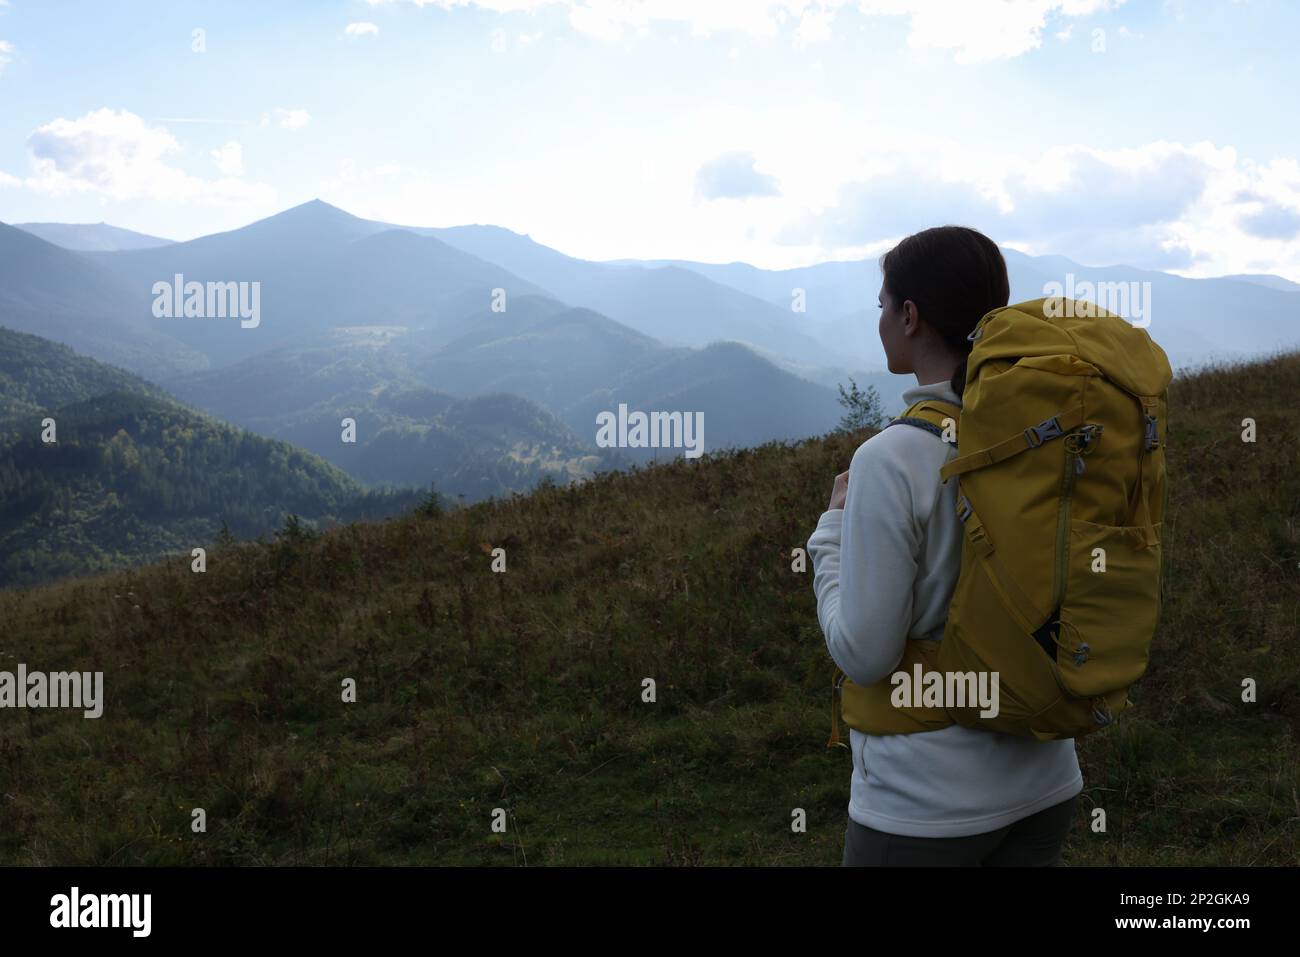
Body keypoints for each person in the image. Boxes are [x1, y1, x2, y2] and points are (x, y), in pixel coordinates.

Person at [807, 225, 1083, 866]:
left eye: (883, 304)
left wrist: (829, 537)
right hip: (1048, 776)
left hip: (925, 806)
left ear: (910, 315)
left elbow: (865, 654)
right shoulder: (1047, 438)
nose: (878, 319)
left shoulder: (892, 457)